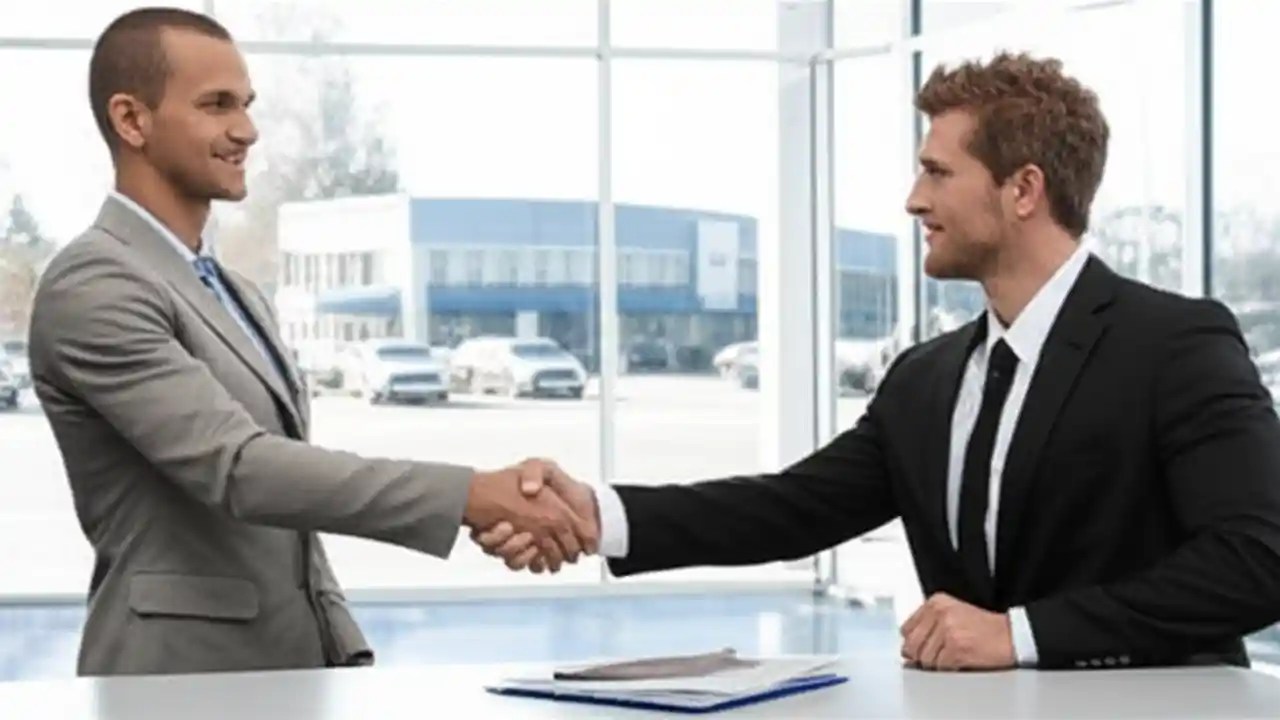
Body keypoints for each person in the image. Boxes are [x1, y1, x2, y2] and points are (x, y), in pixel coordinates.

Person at [479, 52, 1280, 672]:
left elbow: (1259, 559)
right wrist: (597, 515)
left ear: (1024, 189)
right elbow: (795, 507)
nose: (913, 199)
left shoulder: (1173, 344)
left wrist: (1022, 634)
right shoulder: (926, 377)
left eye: (938, 172)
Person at [28, 8, 594, 677]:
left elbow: (290, 510)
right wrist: (468, 495)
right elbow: (241, 468)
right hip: (175, 678)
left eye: (246, 105)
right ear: (131, 120)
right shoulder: (95, 283)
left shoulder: (236, 291)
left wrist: (338, 644)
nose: (246, 129)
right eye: (216, 105)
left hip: (290, 663)